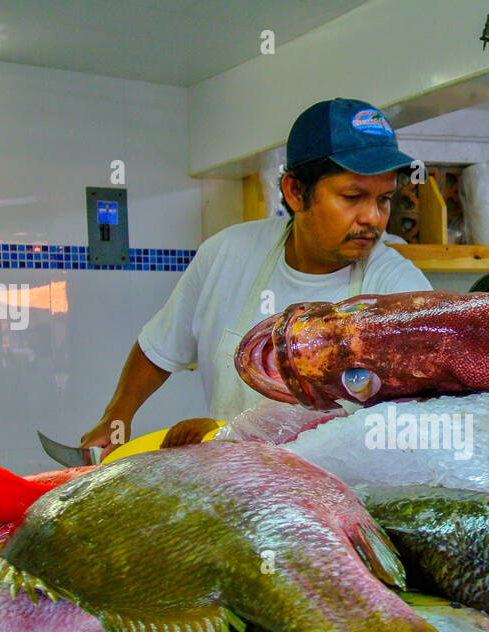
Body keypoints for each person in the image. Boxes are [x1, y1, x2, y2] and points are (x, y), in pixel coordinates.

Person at [80, 98, 430, 453]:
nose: (373, 217)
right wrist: (116, 417)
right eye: (352, 196)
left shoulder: (399, 291)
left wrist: (234, 437)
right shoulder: (228, 253)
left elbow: (412, 426)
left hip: (341, 499)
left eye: (384, 199)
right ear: (295, 192)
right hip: (232, 490)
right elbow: (158, 349)